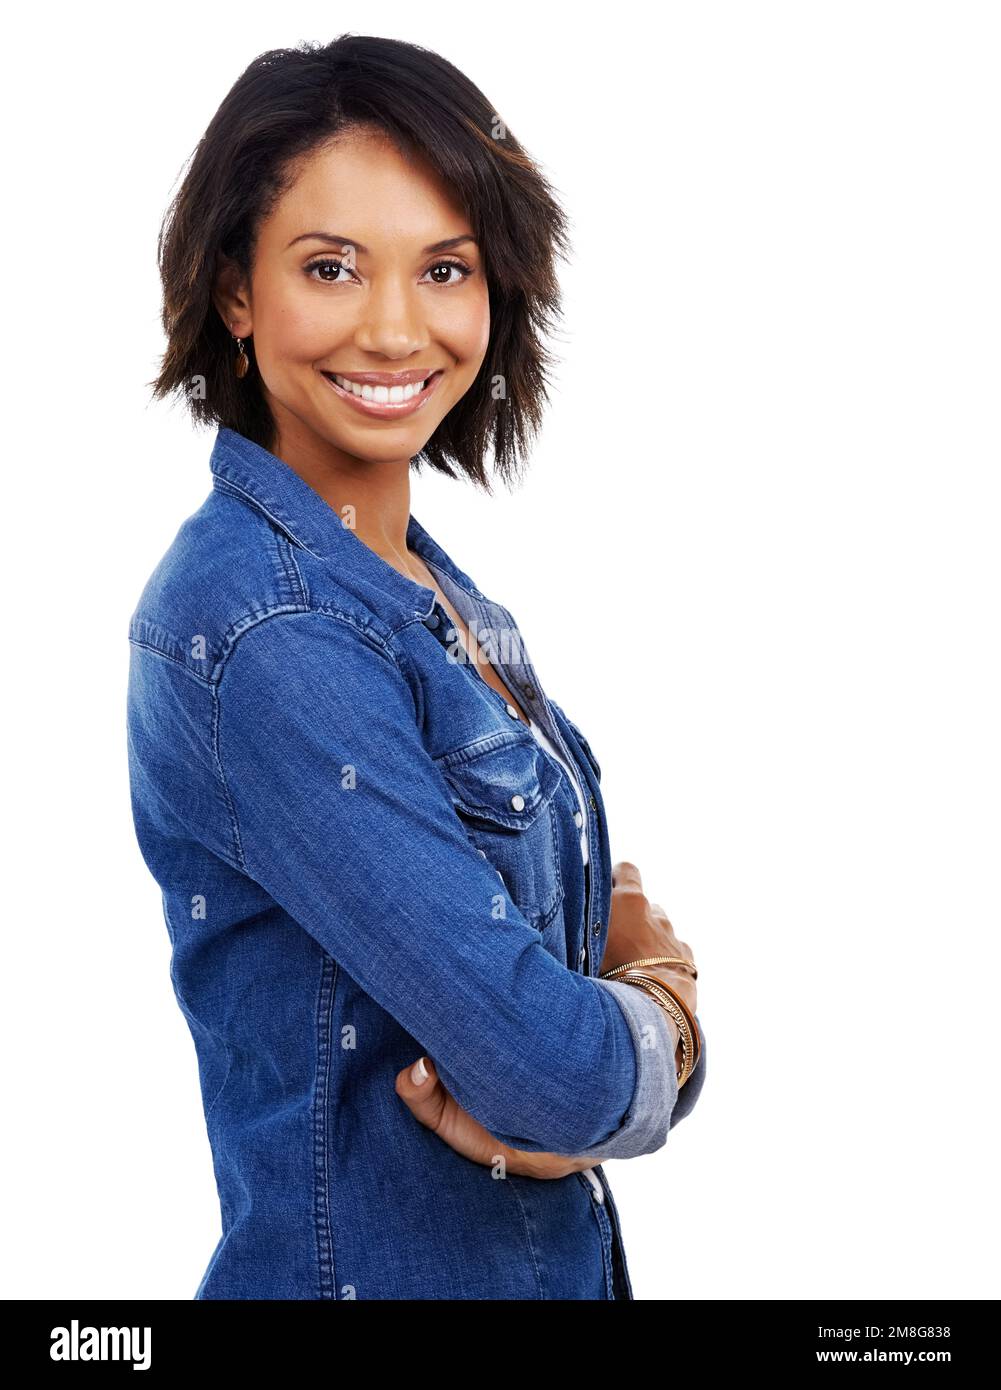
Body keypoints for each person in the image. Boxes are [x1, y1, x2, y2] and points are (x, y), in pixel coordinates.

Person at [126, 33, 707, 1301]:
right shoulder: (269, 629)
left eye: (442, 268)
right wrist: (666, 1005)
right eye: (329, 267)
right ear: (237, 293)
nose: (395, 329)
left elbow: (572, 944)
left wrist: (609, 1011)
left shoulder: (429, 585)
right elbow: (551, 1069)